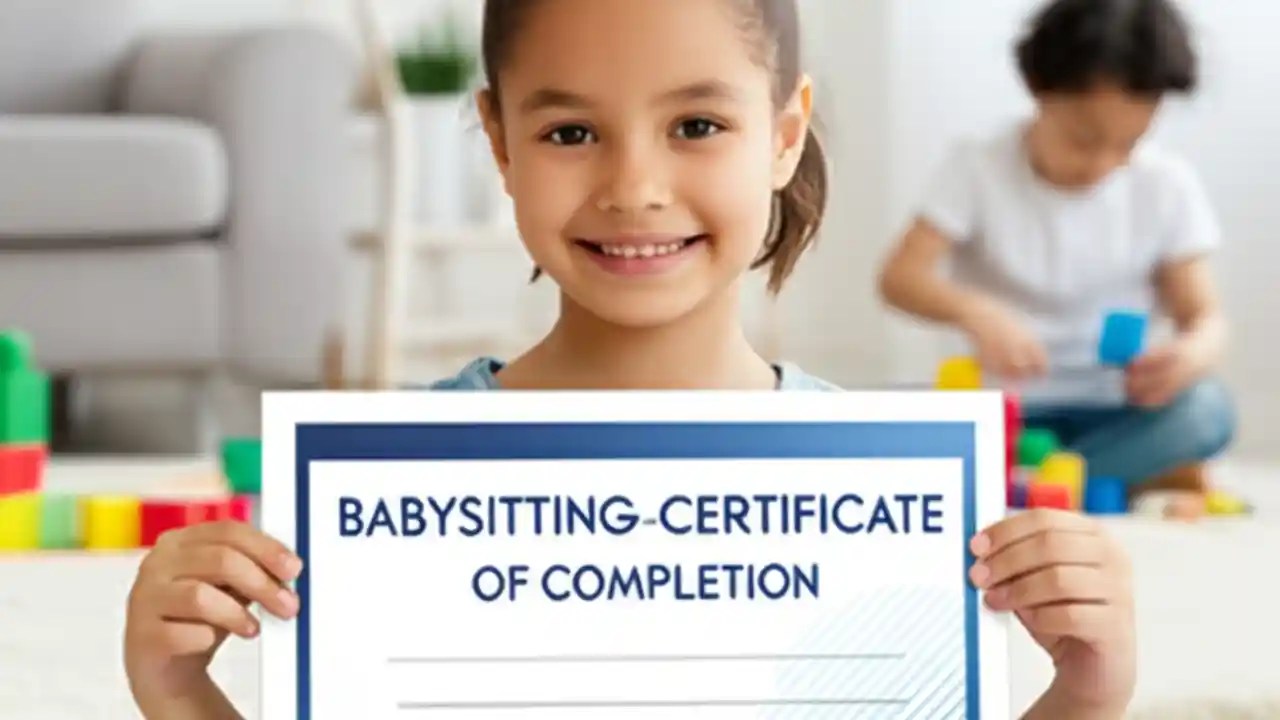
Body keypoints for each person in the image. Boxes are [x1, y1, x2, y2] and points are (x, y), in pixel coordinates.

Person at [122, 1, 1136, 718]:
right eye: (570, 131)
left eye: (696, 124)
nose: (633, 185)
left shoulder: (888, 498)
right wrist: (181, 693)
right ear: (499, 142)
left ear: (782, 136)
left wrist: (1083, 695)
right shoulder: (387, 486)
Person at [878, 0, 1235, 498]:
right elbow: (898, 279)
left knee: (1207, 410)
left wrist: (1191, 354)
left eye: (1128, 144)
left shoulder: (1166, 186)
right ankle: (1116, 475)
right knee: (883, 417)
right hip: (1001, 405)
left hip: (1114, 405)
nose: (1105, 163)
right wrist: (976, 311)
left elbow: (1205, 317)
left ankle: (1028, 483)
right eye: (1085, 140)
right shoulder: (977, 167)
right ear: (1038, 89)